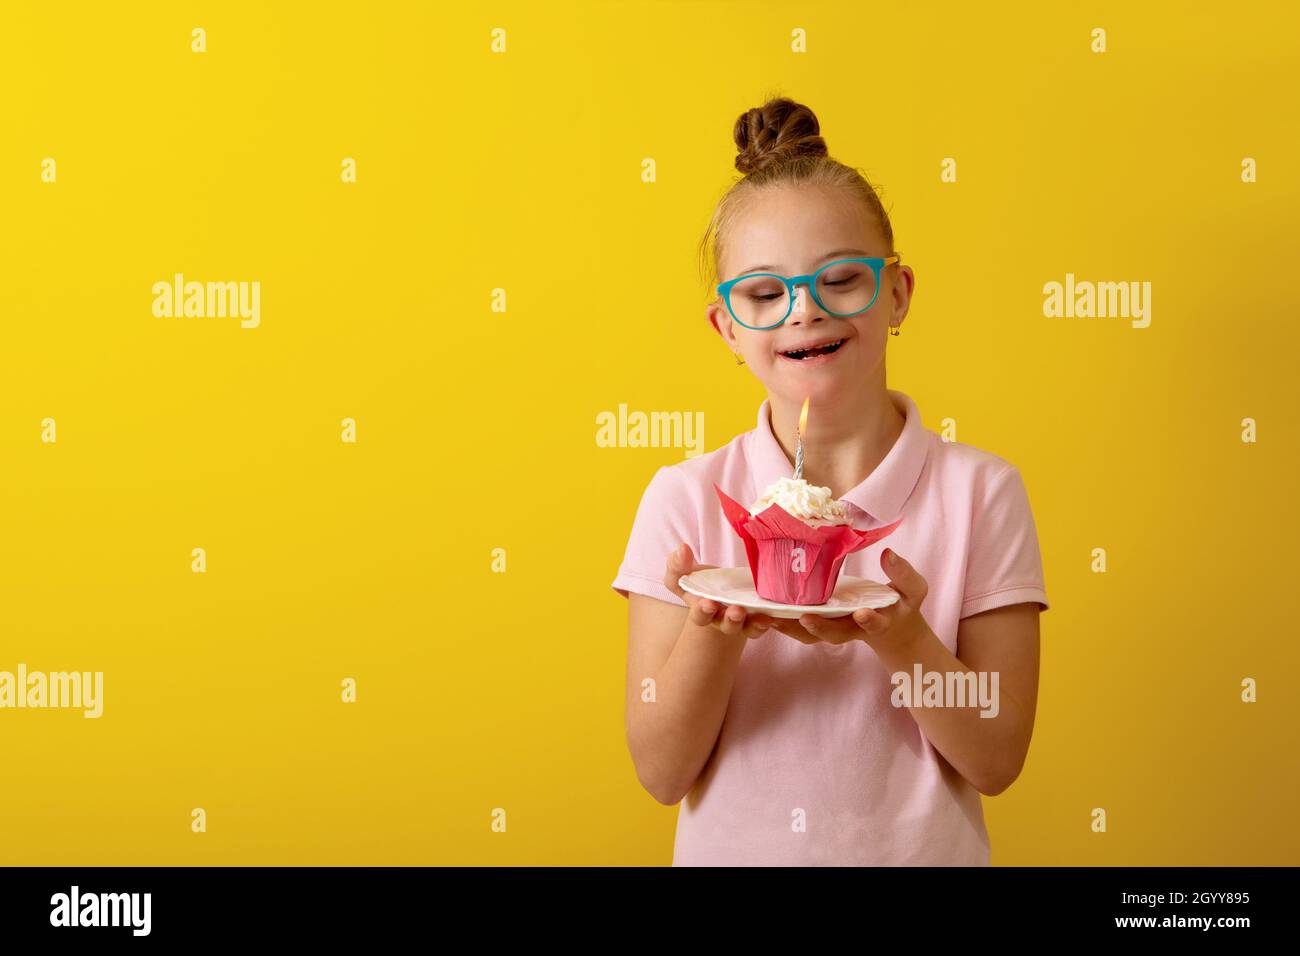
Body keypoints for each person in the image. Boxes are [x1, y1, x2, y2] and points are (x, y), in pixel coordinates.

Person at [610, 96, 1050, 865]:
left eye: (840, 279)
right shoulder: (682, 500)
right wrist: (714, 627)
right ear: (726, 327)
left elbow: (997, 758)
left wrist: (902, 633)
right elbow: (660, 770)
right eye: (764, 293)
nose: (804, 312)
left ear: (898, 294)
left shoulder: (981, 494)